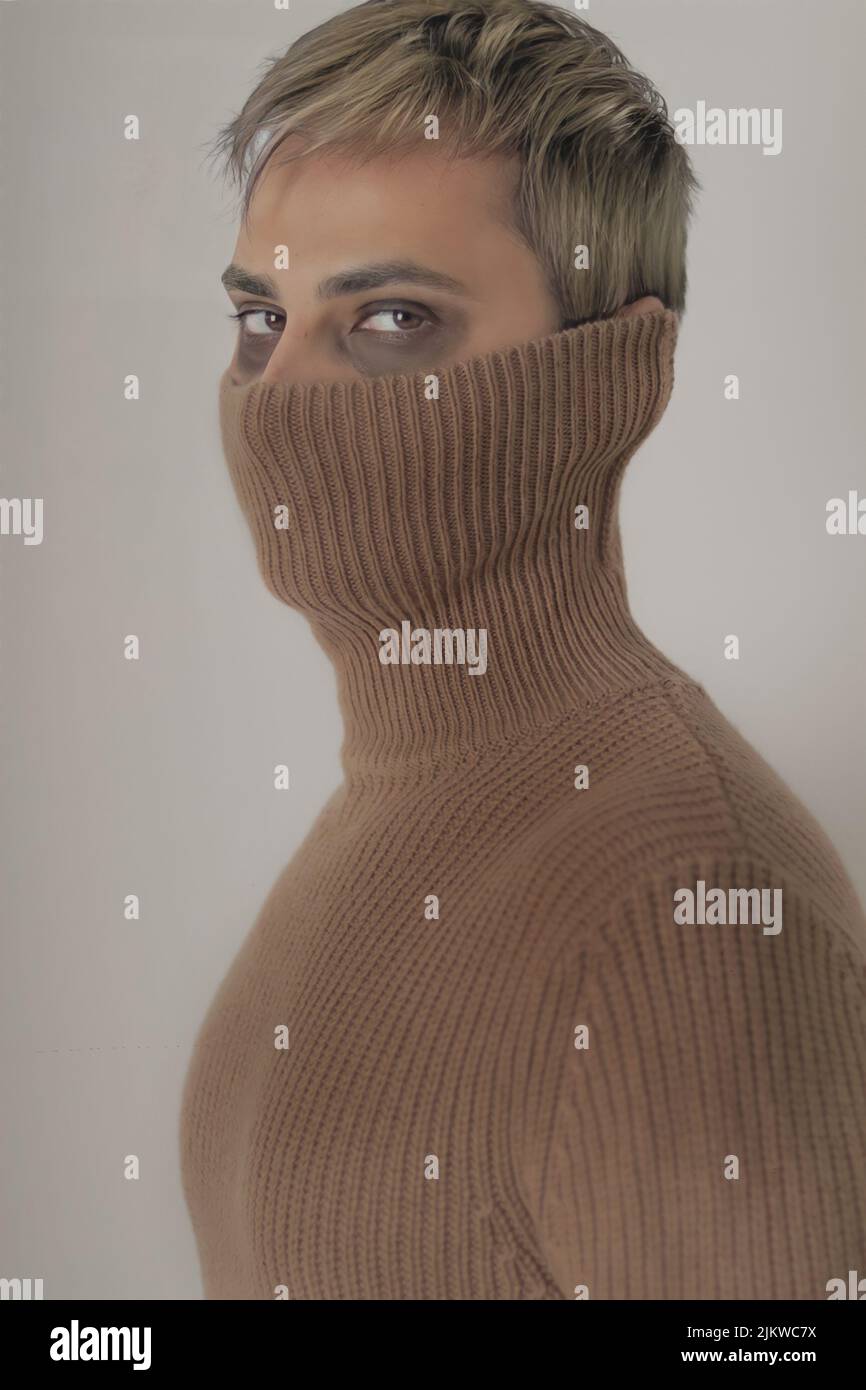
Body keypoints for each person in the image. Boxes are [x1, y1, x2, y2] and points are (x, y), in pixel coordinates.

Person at [180, 0, 866, 1300]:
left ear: (608, 372)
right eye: (260, 320)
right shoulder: (400, 807)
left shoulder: (682, 908)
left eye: (390, 321)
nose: (278, 402)